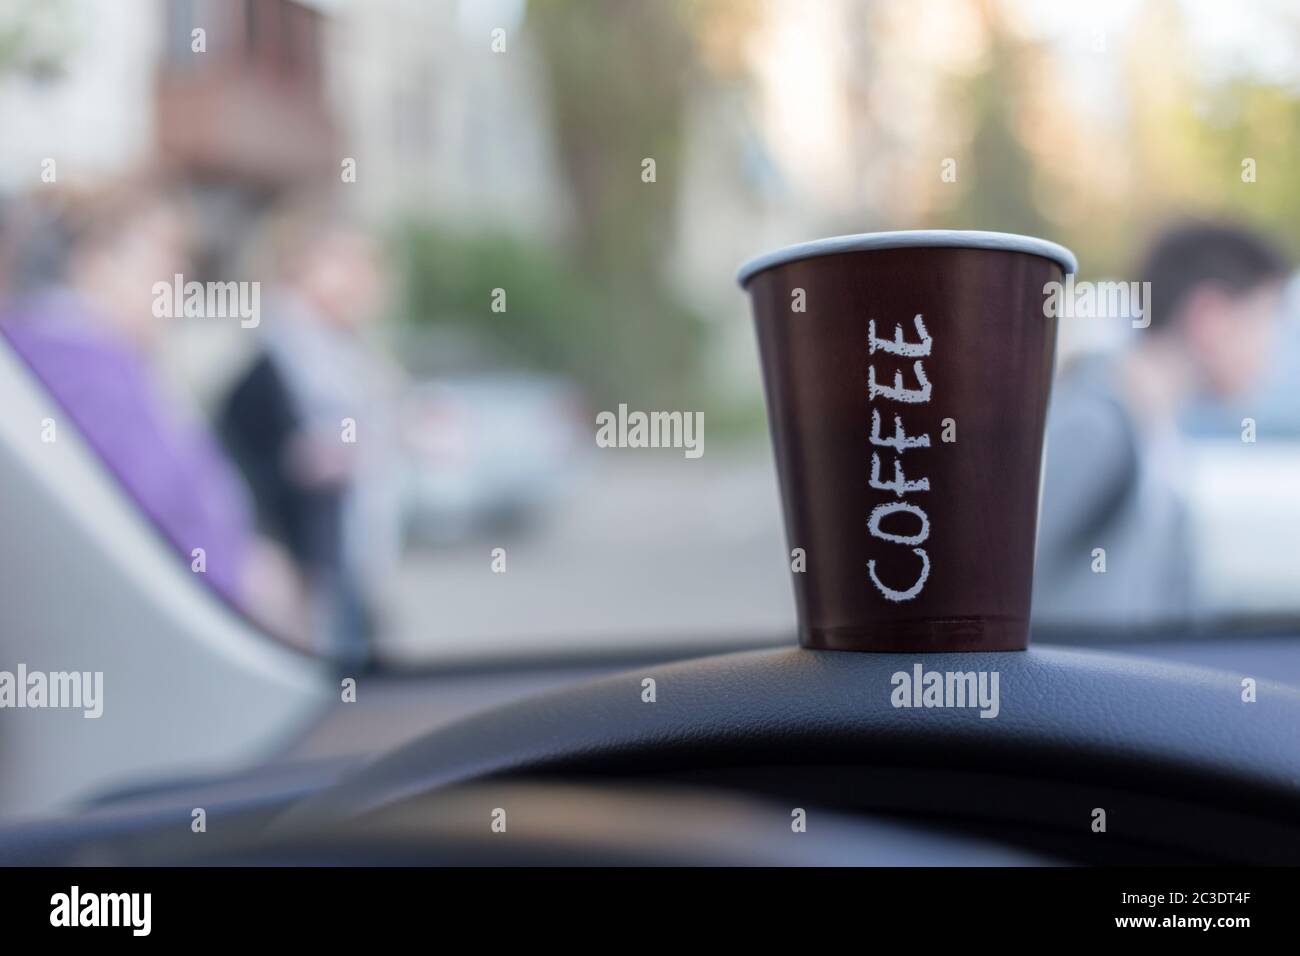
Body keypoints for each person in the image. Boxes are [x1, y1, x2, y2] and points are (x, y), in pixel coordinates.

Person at [0, 180, 304, 637]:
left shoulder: (86, 361)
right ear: (95, 263)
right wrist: (245, 576)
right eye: (165, 254)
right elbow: (154, 535)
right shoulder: (84, 372)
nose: (179, 277)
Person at [1032, 222, 1290, 626]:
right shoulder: (1097, 427)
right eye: (1263, 320)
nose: (1272, 354)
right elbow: (983, 574)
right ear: (1209, 317)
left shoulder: (1154, 432)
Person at [219, 199, 403, 667]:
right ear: (301, 269)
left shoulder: (349, 360)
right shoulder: (273, 371)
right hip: (309, 593)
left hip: (352, 574)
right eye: (348, 262)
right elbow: (240, 480)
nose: (368, 278)